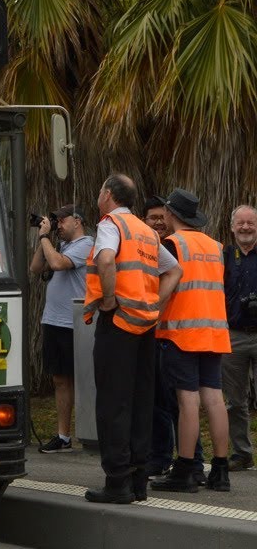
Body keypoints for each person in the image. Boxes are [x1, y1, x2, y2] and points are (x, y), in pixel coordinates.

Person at [82, 174, 182, 504]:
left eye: (100, 190)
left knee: (113, 402)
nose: (98, 196)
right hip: (145, 326)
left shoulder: (111, 225)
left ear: (108, 194)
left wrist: (109, 300)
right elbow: (174, 271)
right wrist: (154, 304)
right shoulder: (145, 230)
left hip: (119, 323)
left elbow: (106, 258)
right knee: (140, 400)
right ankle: (139, 480)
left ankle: (117, 483)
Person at [149, 189, 231, 492]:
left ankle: (184, 469)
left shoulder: (172, 244)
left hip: (182, 332)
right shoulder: (216, 246)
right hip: (214, 331)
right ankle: (220, 471)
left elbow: (163, 284)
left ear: (171, 215)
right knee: (214, 398)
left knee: (187, 401)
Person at [144, 195, 204, 480]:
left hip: (173, 333)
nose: (158, 221)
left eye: (161, 216)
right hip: (161, 332)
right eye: (152, 217)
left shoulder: (174, 246)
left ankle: (189, 461)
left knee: (180, 401)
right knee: (163, 401)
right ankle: (163, 458)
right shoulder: (148, 247)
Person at [29, 204, 94, 453]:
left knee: (83, 380)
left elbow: (57, 264)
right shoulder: (62, 245)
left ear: (77, 221)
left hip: (74, 323)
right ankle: (63, 436)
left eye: (61, 221)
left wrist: (46, 237)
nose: (59, 226)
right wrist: (42, 239)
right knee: (60, 380)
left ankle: (92, 433)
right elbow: (36, 268)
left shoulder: (86, 244)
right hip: (53, 321)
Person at [223, 204, 257, 472]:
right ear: (232, 226)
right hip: (232, 335)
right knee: (235, 401)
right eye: (241, 223)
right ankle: (242, 453)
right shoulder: (222, 256)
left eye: (251, 223)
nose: (246, 227)